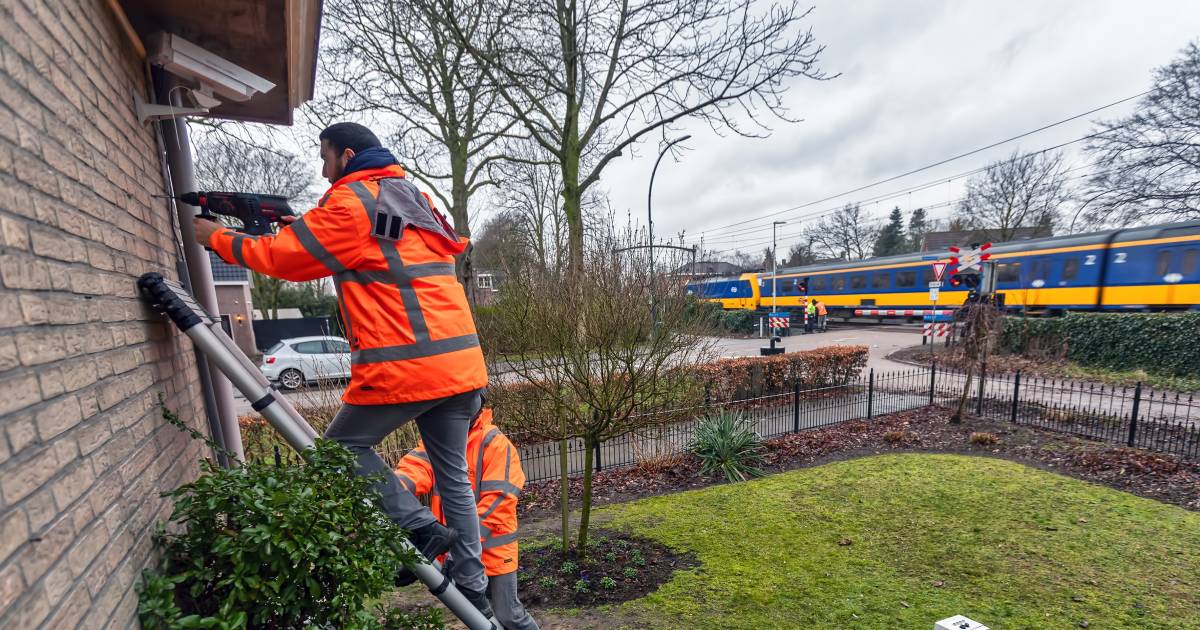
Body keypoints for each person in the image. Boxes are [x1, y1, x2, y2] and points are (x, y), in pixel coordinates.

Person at [193, 122, 493, 616]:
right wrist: (300, 226)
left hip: (409, 367)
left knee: (339, 452)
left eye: (324, 156)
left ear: (346, 154)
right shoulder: (414, 198)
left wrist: (218, 237)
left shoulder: (352, 201)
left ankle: (418, 528)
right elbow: (366, 251)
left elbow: (282, 258)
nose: (321, 167)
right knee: (453, 476)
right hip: (461, 365)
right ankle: (473, 581)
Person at [394, 405, 540, 630]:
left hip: (494, 552)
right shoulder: (439, 442)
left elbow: (498, 503)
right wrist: (388, 491)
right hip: (460, 553)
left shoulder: (496, 444)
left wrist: (461, 547)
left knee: (508, 614)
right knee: (479, 618)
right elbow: (414, 469)